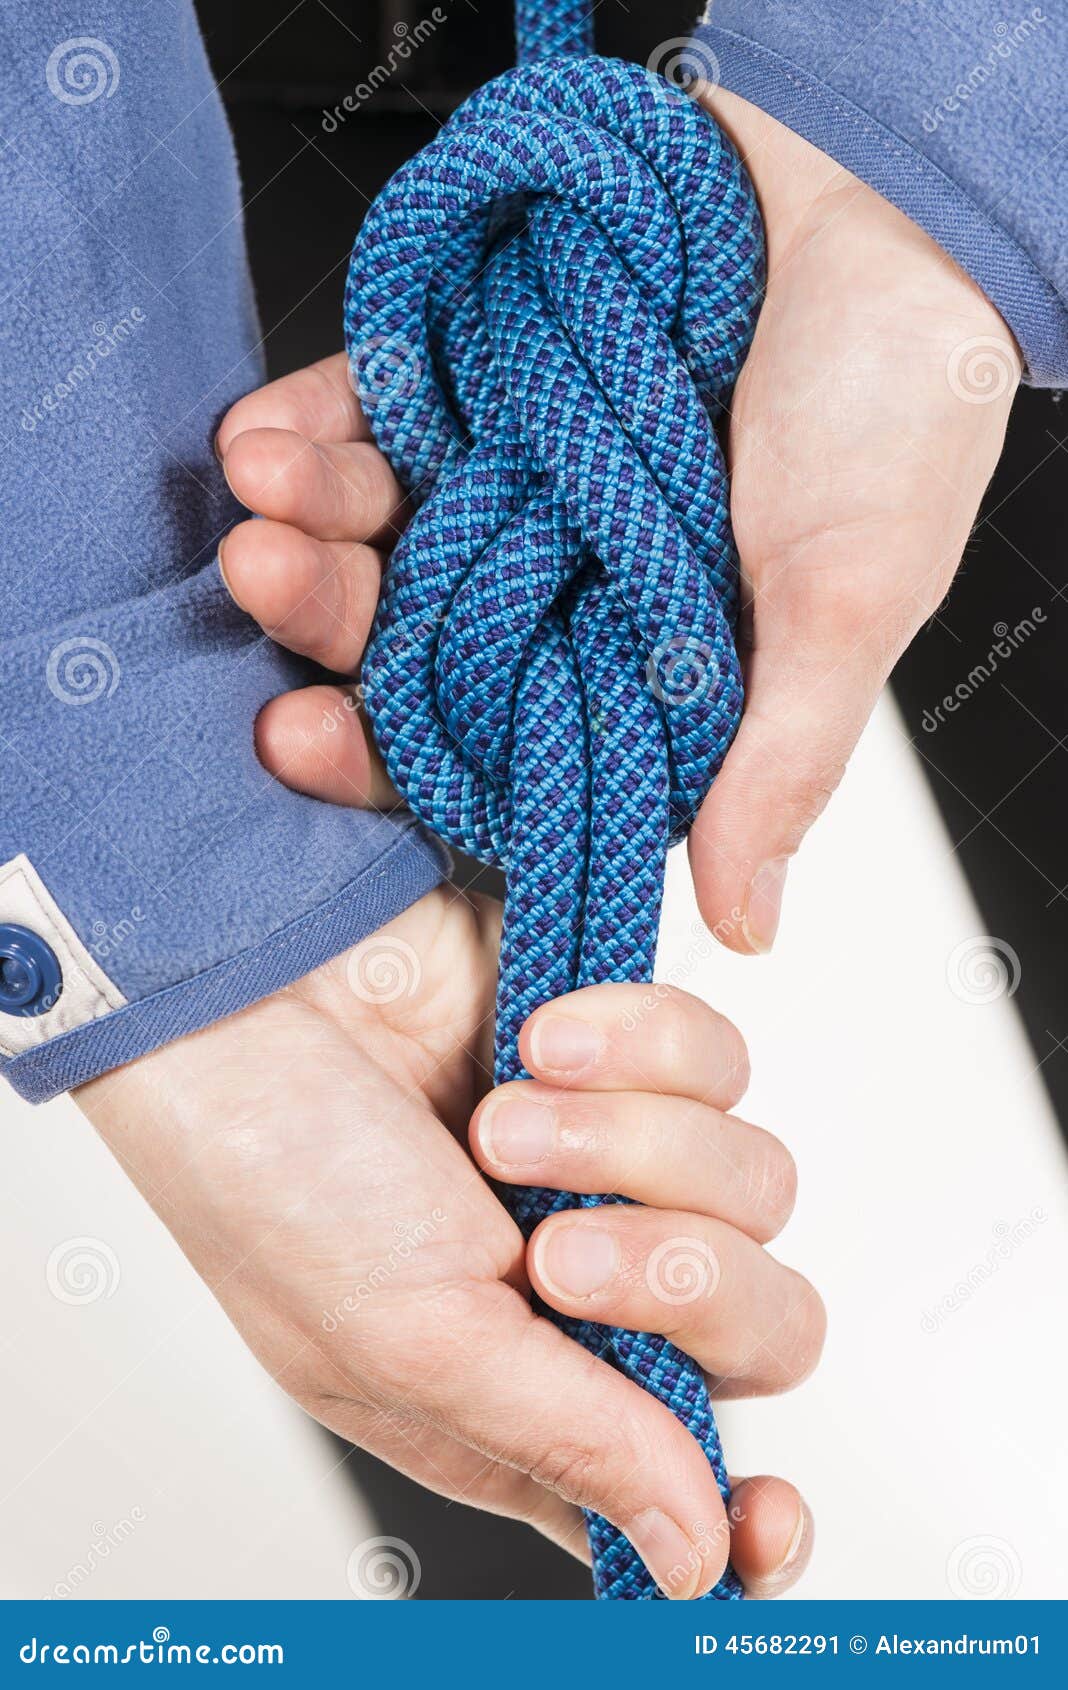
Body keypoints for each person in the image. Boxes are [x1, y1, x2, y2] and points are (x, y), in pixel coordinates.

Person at [1, 0, 1060, 1596]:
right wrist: (172, 849)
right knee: (477, 1253)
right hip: (224, 124)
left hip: (924, 171)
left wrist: (944, 128)